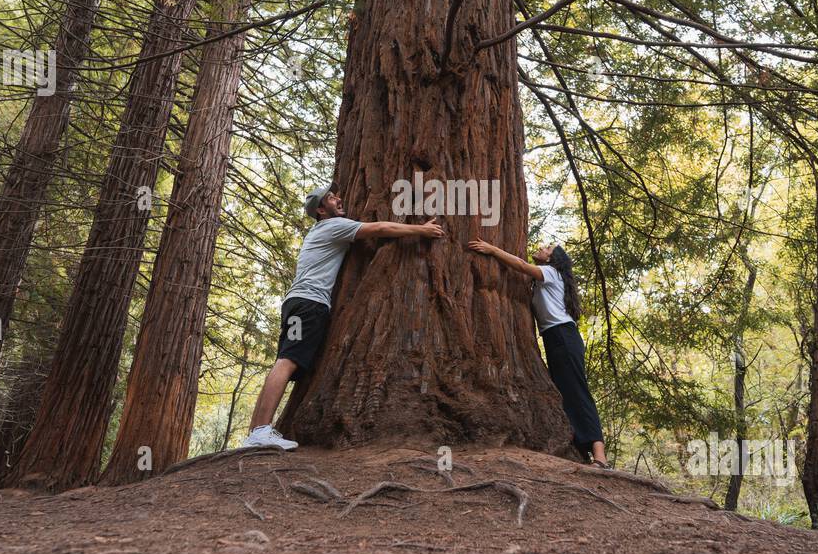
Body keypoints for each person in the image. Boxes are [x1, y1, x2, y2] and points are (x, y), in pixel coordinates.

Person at [243, 184, 444, 449]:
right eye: (330, 198)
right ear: (321, 211)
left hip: (298, 302)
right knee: (287, 362)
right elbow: (381, 229)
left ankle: (256, 431)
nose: (338, 198)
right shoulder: (332, 227)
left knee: (284, 361)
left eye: (336, 195)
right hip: (308, 304)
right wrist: (422, 230)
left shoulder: (319, 230)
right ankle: (260, 432)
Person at [467, 239, 608, 466]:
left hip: (563, 337)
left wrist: (492, 249)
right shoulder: (543, 279)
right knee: (563, 393)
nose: (542, 248)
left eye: (547, 249)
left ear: (552, 259)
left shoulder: (551, 272)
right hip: (556, 339)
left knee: (578, 392)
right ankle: (581, 447)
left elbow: (522, 265)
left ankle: (600, 455)